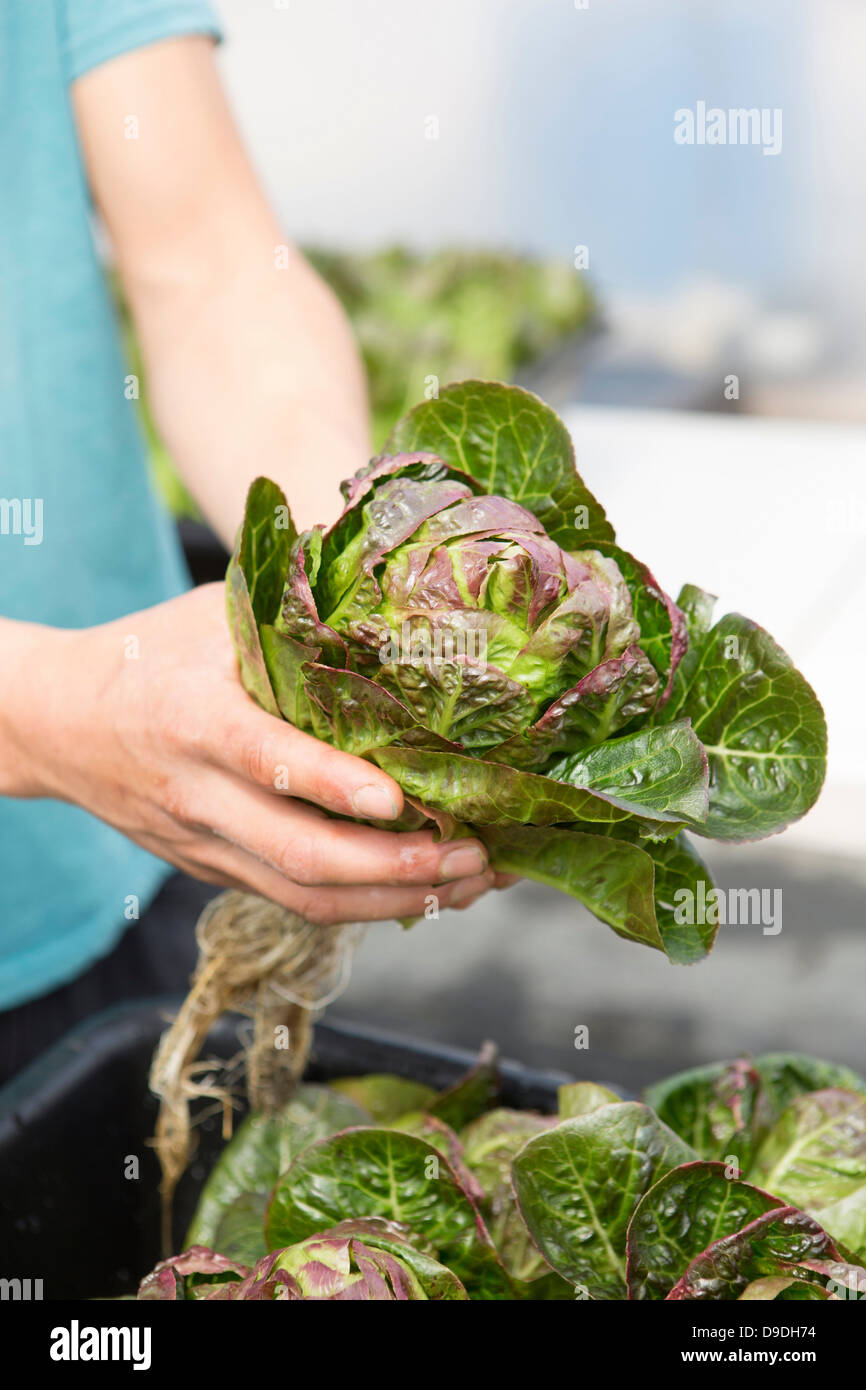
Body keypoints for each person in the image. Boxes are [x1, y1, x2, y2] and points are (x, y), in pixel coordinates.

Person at [0, 2, 506, 1083]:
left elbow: (209, 263)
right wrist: (43, 714)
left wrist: (343, 569)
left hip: (134, 839)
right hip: (104, 755)